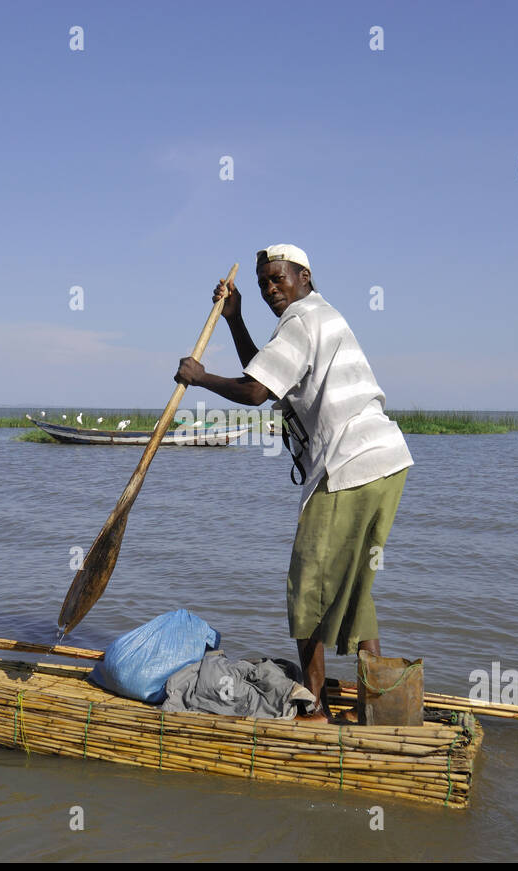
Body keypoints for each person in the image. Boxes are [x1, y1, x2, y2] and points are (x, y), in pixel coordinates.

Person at [174, 244, 413, 722]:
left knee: (306, 587)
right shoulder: (315, 320)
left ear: (304, 276)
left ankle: (314, 708)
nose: (270, 289)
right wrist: (235, 320)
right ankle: (383, 705)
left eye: (277, 278)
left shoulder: (303, 319)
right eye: (263, 283)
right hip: (386, 461)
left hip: (350, 463)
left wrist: (199, 378)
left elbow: (256, 391)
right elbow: (265, 377)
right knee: (354, 585)